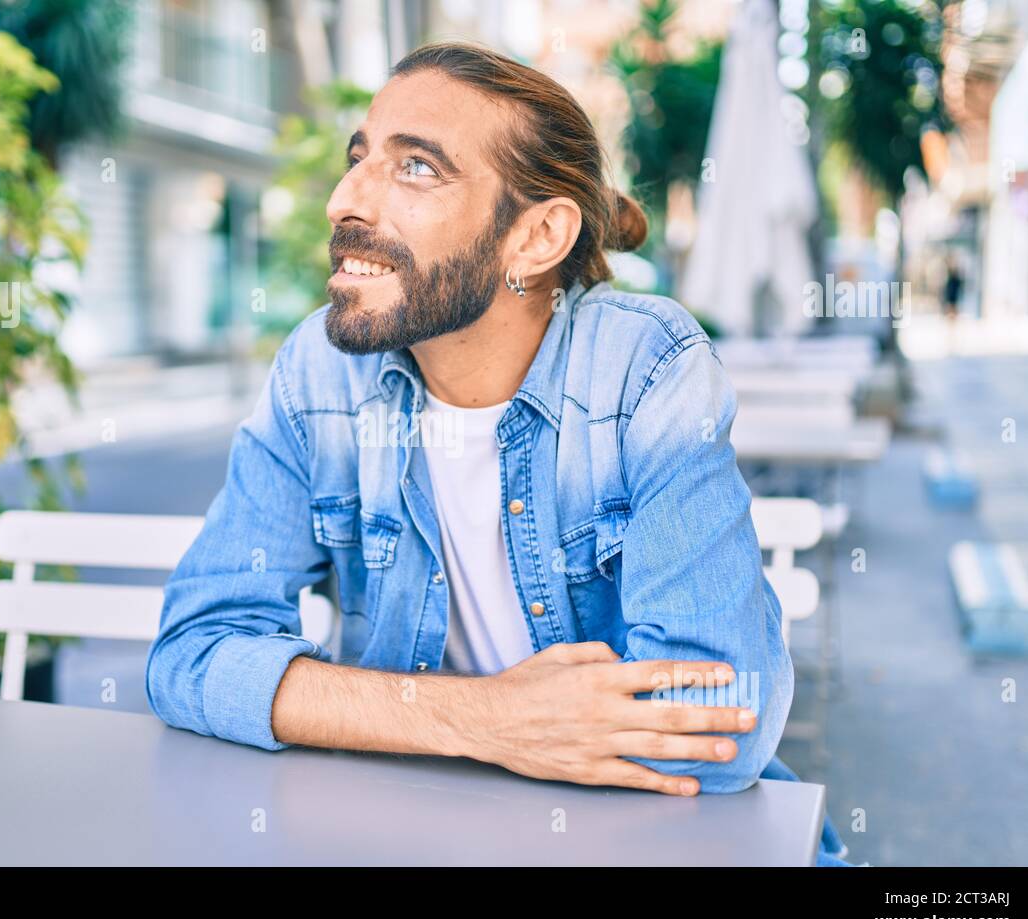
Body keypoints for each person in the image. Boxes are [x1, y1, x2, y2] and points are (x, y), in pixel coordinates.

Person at [147, 41, 851, 866]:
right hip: (413, 832)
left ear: (536, 237)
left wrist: (364, 712)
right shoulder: (321, 372)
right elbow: (193, 655)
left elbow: (721, 711)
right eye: (359, 157)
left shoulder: (645, 369)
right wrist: (488, 719)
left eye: (416, 169)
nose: (345, 200)